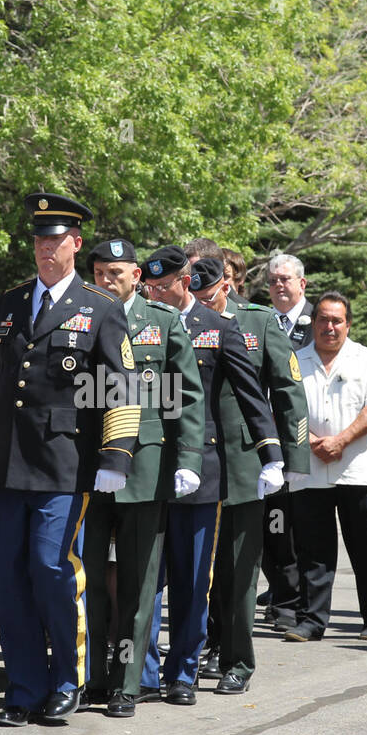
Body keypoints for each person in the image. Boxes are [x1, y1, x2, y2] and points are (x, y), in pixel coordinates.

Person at [0, 192, 140, 727]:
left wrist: (115, 455)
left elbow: (120, 385)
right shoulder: (10, 302)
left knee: (52, 569)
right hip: (9, 463)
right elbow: (3, 385)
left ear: (75, 244)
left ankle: (67, 680)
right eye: (38, 240)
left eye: (55, 241)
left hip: (64, 465)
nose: (45, 250)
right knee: (11, 577)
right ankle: (23, 687)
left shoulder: (100, 308)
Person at [139, 249, 284, 704]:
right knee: (143, 577)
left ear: (187, 282)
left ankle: (182, 672)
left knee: (193, 579)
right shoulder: (141, 323)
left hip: (201, 469)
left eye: (166, 287)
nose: (157, 294)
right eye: (152, 287)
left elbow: (251, 394)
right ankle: (141, 673)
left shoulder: (219, 328)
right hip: (147, 466)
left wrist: (273, 454)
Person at [81, 239, 204, 717]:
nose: (107, 280)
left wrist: (188, 459)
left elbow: (186, 397)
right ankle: (93, 675)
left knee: (138, 581)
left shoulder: (164, 322)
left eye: (116, 272)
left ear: (137, 276)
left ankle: (127, 684)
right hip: (88, 467)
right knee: (87, 578)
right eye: (99, 272)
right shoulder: (82, 317)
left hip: (145, 467)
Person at [188, 257, 309, 691]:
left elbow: (289, 390)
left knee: (239, 571)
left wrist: (292, 460)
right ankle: (206, 645)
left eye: (208, 292)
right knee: (196, 567)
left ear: (226, 283)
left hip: (243, 461)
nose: (200, 301)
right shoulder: (181, 318)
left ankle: (238, 661)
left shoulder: (257, 322)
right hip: (192, 459)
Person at [288, 293, 367, 639]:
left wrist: (340, 441)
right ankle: (312, 621)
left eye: (336, 321)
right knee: (313, 550)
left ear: (348, 324)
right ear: (313, 321)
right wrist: (313, 442)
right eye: (323, 319)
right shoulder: (295, 359)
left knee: (366, 548)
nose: (329, 327)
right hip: (310, 466)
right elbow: (284, 409)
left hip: (358, 468)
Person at [262, 253, 313, 632]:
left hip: (304, 438)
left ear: (302, 284)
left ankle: (298, 602)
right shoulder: (262, 322)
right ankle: (282, 597)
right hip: (267, 441)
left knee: (302, 530)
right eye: (273, 280)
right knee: (272, 527)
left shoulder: (320, 323)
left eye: (286, 280)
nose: (280, 286)